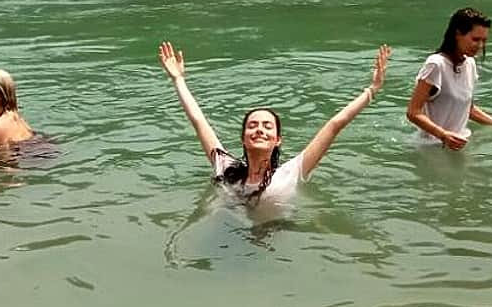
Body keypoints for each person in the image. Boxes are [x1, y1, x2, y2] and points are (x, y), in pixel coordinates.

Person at [158, 41, 390, 202]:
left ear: (278, 140)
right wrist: (178, 79)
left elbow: (334, 125)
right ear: (243, 138)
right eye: (252, 125)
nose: (259, 130)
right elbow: (198, 120)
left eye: (267, 127)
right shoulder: (226, 169)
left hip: (275, 243)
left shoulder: (292, 172)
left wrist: (371, 90)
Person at [406, 8, 492, 150]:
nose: (480, 46)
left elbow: (468, 109)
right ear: (457, 34)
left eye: (484, 40)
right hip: (433, 147)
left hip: (460, 142)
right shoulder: (436, 65)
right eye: (475, 39)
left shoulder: (469, 63)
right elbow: (413, 112)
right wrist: (443, 135)